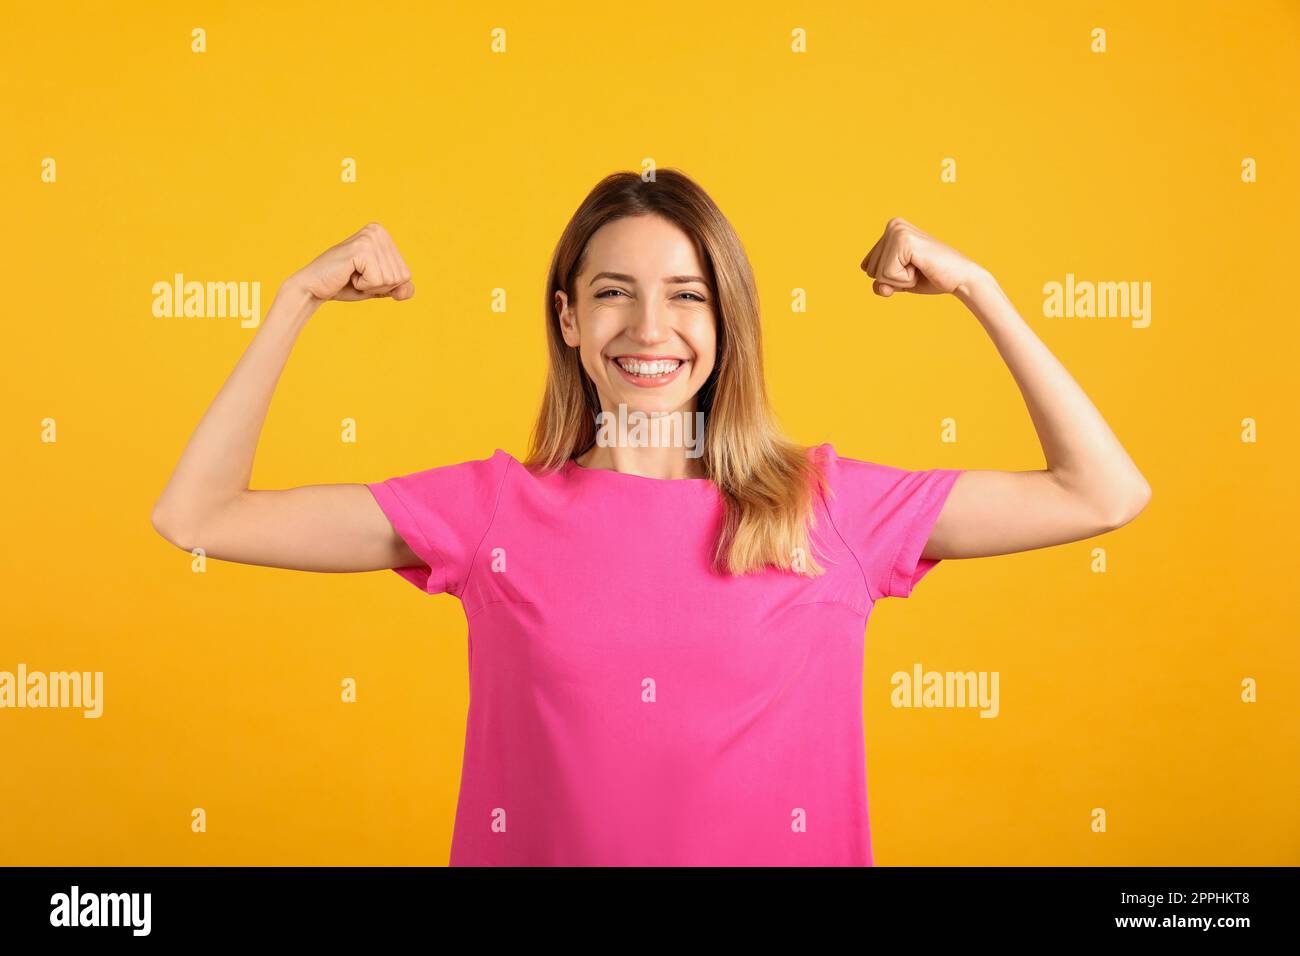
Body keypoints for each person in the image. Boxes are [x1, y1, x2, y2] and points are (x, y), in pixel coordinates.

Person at [151, 168, 1150, 866]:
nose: (650, 329)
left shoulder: (828, 506)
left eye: (688, 295)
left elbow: (1102, 492)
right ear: (568, 320)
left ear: (727, 321)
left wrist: (979, 287)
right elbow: (200, 513)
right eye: (613, 293)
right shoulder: (490, 511)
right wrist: (294, 299)